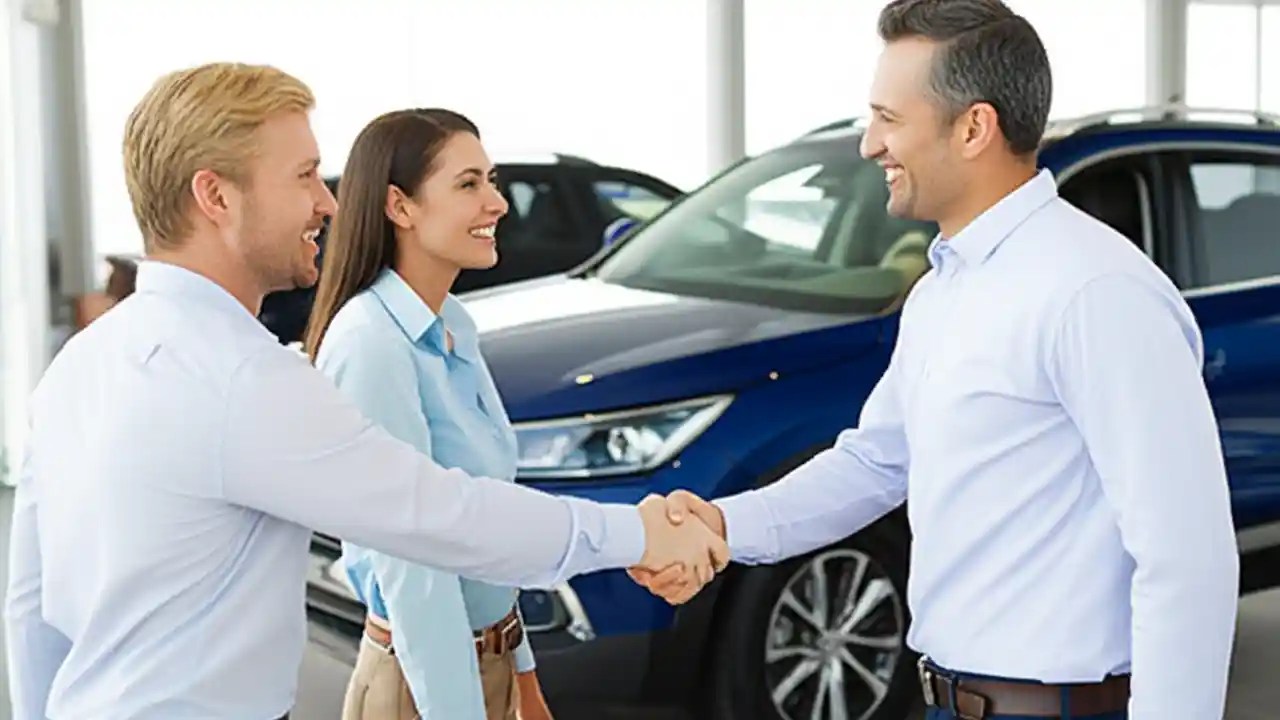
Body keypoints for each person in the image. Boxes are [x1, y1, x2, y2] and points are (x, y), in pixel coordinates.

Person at [3, 62, 727, 720]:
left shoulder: (81, 361)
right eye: (305, 176)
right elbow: (439, 517)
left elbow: (30, 603)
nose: (327, 202)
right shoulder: (246, 379)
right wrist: (639, 532)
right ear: (215, 196)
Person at [632, 1, 1239, 719]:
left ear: (974, 127)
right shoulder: (946, 286)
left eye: (889, 118)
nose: (868, 144)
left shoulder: (1095, 292)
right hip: (948, 700)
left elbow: (1187, 559)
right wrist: (725, 528)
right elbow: (876, 463)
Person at [301, 108, 550, 720]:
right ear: (400, 206)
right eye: (469, 184)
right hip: (420, 684)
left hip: (485, 663)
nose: (497, 202)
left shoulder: (452, 324)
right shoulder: (371, 344)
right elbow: (415, 572)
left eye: (490, 180)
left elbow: (489, 521)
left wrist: (523, 677)